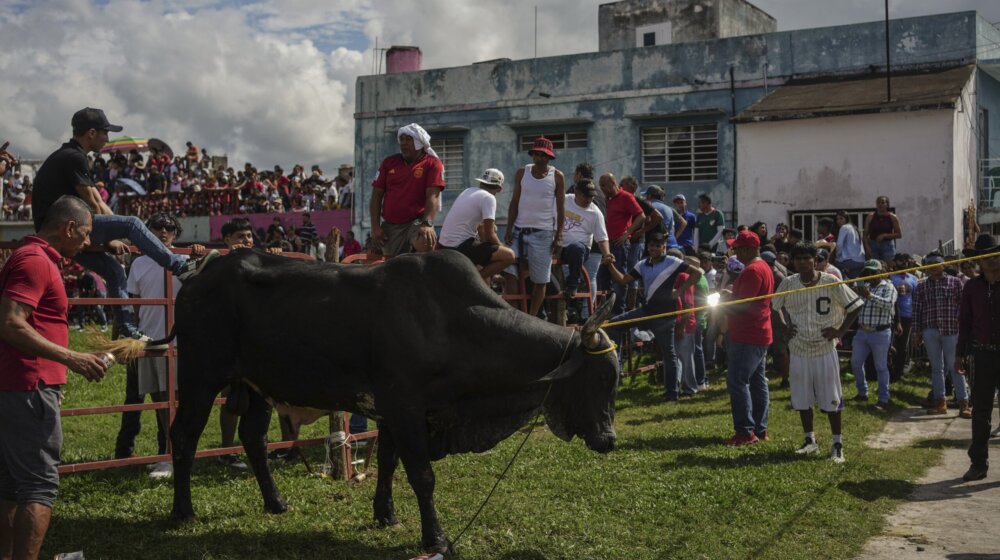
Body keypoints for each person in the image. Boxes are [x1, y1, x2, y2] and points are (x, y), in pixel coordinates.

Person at [31, 108, 218, 346]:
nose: (107, 139)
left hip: (62, 232)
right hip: (65, 227)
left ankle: (128, 328)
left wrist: (110, 237)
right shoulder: (74, 156)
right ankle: (179, 266)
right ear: (91, 133)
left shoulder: (68, 155)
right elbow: (95, 203)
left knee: (114, 271)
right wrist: (120, 233)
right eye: (105, 133)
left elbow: (94, 207)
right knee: (131, 223)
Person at [0, 195, 110, 560]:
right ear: (69, 228)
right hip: (29, 385)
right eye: (86, 233)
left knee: (11, 483)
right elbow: (11, 323)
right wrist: (71, 357)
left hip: (19, 383)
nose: (87, 242)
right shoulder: (35, 261)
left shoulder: (30, 256)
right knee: (38, 485)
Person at [771, 243, 864, 464]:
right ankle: (809, 440)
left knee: (831, 398)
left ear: (815, 259)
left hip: (824, 348)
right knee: (802, 398)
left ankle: (837, 444)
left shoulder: (831, 281)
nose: (803, 262)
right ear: (792, 262)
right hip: (799, 348)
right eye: (798, 259)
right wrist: (784, 327)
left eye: (807, 258)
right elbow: (774, 307)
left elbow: (856, 305)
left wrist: (840, 331)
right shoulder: (788, 283)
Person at [602, 233, 701, 403]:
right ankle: (615, 366)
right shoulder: (642, 264)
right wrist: (610, 265)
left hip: (665, 316)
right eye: (651, 246)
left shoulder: (672, 261)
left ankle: (672, 394)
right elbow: (623, 280)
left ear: (664, 248)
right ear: (648, 247)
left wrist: (679, 290)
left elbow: (697, 273)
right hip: (647, 311)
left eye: (657, 246)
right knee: (613, 325)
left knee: (669, 354)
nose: (653, 248)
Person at [719, 230, 774, 446]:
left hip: (747, 333)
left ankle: (745, 432)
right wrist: (732, 295)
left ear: (750, 249)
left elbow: (743, 306)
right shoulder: (762, 267)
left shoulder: (752, 270)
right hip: (758, 331)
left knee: (737, 381)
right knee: (757, 382)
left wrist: (723, 304)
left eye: (738, 248)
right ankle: (759, 429)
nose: (735, 252)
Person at [503, 137, 566, 318]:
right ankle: (515, 313)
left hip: (543, 233)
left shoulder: (557, 176)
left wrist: (559, 235)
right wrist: (509, 228)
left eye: (543, 155)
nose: (539, 158)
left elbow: (561, 209)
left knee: (540, 279)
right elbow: (514, 203)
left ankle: (531, 317)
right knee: (508, 268)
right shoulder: (522, 172)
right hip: (519, 230)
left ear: (549, 157)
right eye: (536, 154)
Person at [958, 234, 1000, 481]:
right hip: (983, 354)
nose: (991, 260)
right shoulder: (972, 287)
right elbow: (965, 322)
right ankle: (978, 464)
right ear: (979, 261)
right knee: (981, 412)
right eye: (986, 257)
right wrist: (960, 354)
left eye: (995, 255)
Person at [370, 123, 445, 257]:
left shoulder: (432, 164)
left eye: (409, 139)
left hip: (417, 221)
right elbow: (376, 195)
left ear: (419, 143)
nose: (403, 143)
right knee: (383, 261)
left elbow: (432, 196)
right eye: (402, 139)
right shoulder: (389, 163)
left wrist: (427, 224)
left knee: (425, 242)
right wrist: (375, 227)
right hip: (391, 225)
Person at [913, 253, 969, 418]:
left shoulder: (955, 282)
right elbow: (917, 310)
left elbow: (963, 305)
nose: (932, 266)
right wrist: (917, 333)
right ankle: (940, 403)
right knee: (936, 368)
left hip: (951, 329)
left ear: (943, 265)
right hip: (930, 330)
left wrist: (960, 323)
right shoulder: (921, 285)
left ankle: (963, 403)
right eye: (929, 263)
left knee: (955, 366)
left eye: (936, 263)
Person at [438, 168, 516, 282]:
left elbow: (482, 229)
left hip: (443, 243)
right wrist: (503, 247)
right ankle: (474, 281)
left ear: (481, 183)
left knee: (486, 232)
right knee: (509, 256)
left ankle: (487, 277)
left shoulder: (468, 191)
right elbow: (490, 235)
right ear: (499, 189)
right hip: (460, 246)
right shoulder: (489, 198)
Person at [559, 179, 611, 323]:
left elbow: (602, 238)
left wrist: (607, 254)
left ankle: (584, 310)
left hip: (580, 249)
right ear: (576, 193)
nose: (589, 199)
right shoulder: (564, 200)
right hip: (559, 246)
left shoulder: (595, 212)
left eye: (592, 196)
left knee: (577, 250)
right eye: (586, 196)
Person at [851, 259, 898, 411]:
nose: (870, 274)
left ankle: (883, 399)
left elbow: (888, 305)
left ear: (880, 272)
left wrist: (869, 296)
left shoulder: (889, 287)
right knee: (855, 363)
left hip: (880, 332)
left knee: (881, 366)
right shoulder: (864, 286)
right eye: (867, 272)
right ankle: (862, 392)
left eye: (873, 272)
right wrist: (854, 293)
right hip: (862, 331)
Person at [596, 173, 645, 316]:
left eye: (604, 185)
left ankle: (618, 312)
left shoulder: (626, 197)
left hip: (619, 244)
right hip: (607, 244)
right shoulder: (608, 199)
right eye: (600, 186)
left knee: (619, 280)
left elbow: (641, 216)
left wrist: (627, 233)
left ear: (613, 182)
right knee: (602, 278)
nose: (602, 188)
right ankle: (606, 311)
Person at [889, 254, 918, 381]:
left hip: (907, 315)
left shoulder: (913, 279)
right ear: (895, 262)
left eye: (907, 261)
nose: (905, 263)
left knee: (902, 345)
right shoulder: (890, 277)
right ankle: (889, 371)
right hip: (892, 314)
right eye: (901, 261)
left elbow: (915, 297)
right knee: (890, 344)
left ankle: (898, 373)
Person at [863, 195, 902, 260]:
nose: (880, 205)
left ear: (887, 204)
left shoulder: (892, 217)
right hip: (873, 245)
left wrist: (884, 235)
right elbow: (865, 235)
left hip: (887, 246)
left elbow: (899, 234)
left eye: (883, 202)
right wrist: (867, 247)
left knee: (888, 266)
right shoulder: (870, 216)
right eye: (878, 203)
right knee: (875, 265)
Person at [834, 211, 865, 279]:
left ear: (846, 219)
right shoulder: (854, 227)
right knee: (854, 279)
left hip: (851, 261)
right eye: (837, 219)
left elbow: (839, 245)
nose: (838, 221)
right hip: (861, 261)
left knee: (833, 266)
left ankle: (841, 282)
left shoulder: (844, 227)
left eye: (841, 218)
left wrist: (837, 257)